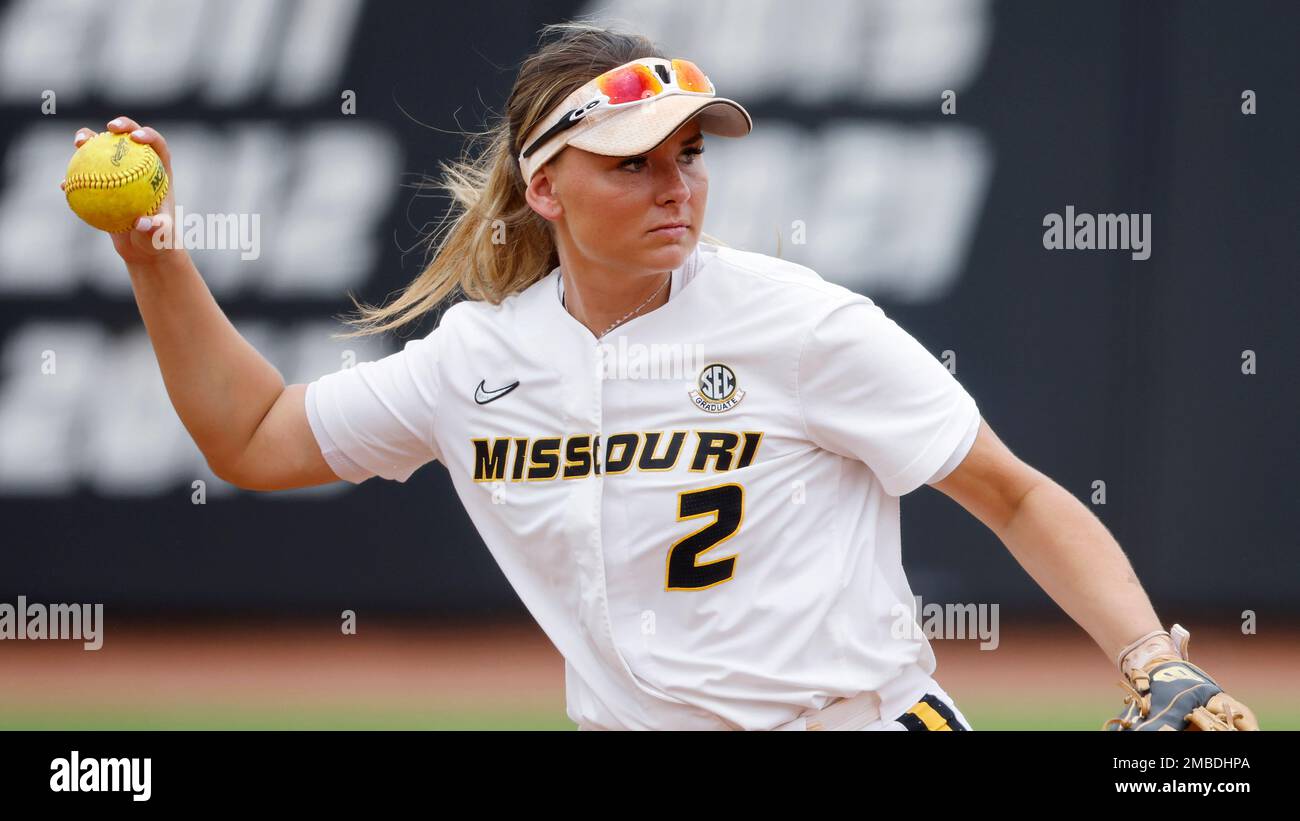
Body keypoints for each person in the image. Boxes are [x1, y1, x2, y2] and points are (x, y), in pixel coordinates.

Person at [66, 22, 1256, 731]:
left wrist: (1154, 656)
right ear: (546, 189)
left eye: (688, 155)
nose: (676, 184)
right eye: (632, 162)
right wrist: (153, 253)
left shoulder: (798, 323)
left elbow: (1014, 491)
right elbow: (256, 435)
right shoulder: (481, 359)